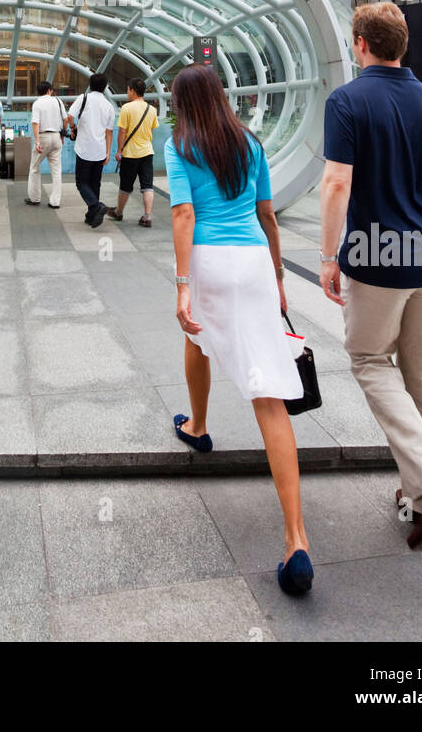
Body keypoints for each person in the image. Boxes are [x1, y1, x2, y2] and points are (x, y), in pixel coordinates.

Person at [319, 1, 422, 552]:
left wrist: (328, 256)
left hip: (378, 256)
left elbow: (337, 183)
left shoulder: (347, 101)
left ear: (360, 43)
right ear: (402, 44)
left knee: (368, 359)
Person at [165, 63, 311, 597]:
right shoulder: (250, 143)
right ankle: (296, 539)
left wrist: (182, 285)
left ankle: (199, 426)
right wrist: (277, 277)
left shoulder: (180, 144)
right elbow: (267, 213)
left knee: (194, 335)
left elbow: (183, 214)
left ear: (182, 103)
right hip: (251, 261)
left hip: (208, 261)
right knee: (268, 397)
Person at [107, 79, 159, 226]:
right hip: (147, 152)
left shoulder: (127, 108)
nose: (127, 92)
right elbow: (152, 129)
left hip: (130, 154)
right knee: (147, 185)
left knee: (125, 185)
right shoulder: (152, 109)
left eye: (128, 89)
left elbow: (122, 131)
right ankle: (147, 216)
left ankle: (119, 212)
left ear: (133, 91)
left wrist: (118, 150)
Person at [67, 72, 115, 229]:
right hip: (100, 150)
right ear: (105, 87)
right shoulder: (109, 106)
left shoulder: (84, 98)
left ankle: (96, 206)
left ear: (90, 84)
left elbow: (70, 116)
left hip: (84, 149)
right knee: (95, 184)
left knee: (81, 183)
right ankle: (91, 216)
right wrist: (108, 152)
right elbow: (109, 132)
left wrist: (73, 128)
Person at [25, 80, 68, 208]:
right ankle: (55, 202)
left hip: (43, 136)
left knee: (34, 167)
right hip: (56, 136)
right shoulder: (58, 101)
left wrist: (37, 141)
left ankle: (35, 198)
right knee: (56, 170)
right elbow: (65, 120)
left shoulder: (37, 103)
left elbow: (35, 123)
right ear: (50, 90)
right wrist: (63, 133)